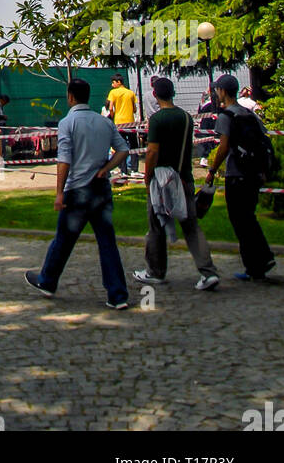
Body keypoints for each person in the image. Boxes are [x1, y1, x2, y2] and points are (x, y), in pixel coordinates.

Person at [25, 78, 129, 308]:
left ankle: (47, 281)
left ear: (70, 97)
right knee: (107, 242)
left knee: (63, 239)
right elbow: (123, 150)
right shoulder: (105, 123)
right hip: (101, 188)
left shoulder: (67, 123)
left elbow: (64, 159)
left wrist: (59, 192)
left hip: (78, 190)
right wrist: (106, 169)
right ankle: (118, 294)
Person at [132, 77, 220, 291]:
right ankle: (207, 272)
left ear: (155, 94)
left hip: (162, 180)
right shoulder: (186, 118)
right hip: (184, 177)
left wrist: (147, 175)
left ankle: (156, 271)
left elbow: (152, 151)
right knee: (191, 226)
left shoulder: (157, 119)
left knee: (156, 225)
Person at [206, 74, 276, 283]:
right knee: (249, 217)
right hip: (253, 173)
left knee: (240, 220)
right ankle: (259, 262)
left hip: (237, 174)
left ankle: (258, 262)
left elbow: (223, 147)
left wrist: (212, 169)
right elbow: (262, 138)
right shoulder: (248, 114)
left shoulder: (227, 116)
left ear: (223, 92)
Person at [106, 75, 140, 180]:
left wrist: (113, 115)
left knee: (121, 147)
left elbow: (110, 107)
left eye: (113, 82)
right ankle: (134, 170)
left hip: (119, 123)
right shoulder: (130, 93)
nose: (112, 85)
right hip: (130, 123)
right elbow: (134, 109)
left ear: (119, 82)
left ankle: (124, 171)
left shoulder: (113, 93)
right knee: (134, 146)